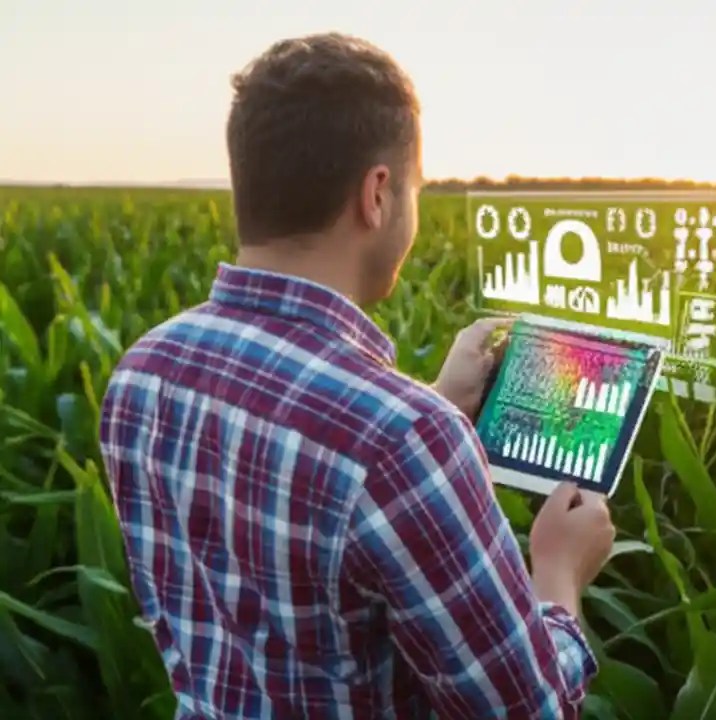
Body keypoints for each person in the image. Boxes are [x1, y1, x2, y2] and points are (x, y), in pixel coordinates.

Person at [97, 32, 615, 719]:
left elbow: (303, 487)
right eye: (415, 187)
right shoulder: (404, 442)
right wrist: (557, 573)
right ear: (377, 194)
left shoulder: (144, 372)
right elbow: (527, 710)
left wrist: (438, 398)